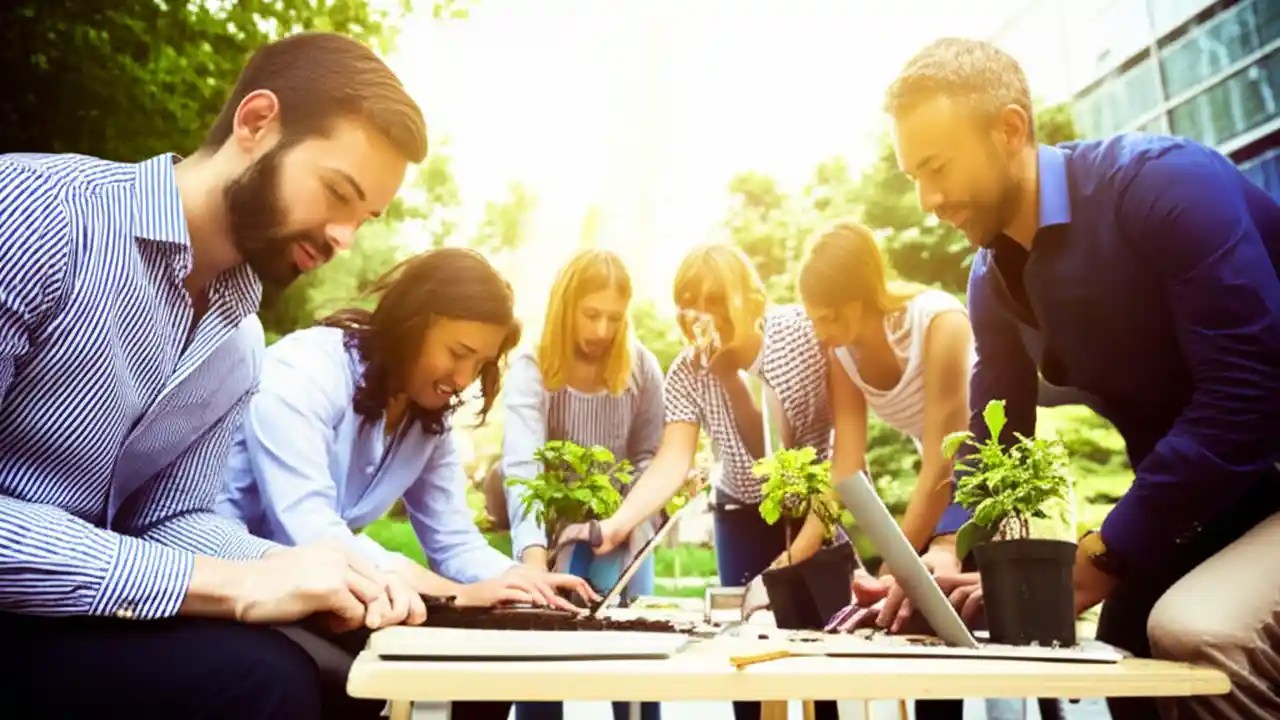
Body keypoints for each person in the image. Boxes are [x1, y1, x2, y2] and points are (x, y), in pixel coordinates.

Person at [0, 32, 429, 719]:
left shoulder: (238, 339)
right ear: (257, 123)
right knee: (259, 681)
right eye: (336, 192)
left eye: (365, 218)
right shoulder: (38, 213)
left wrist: (310, 573)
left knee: (348, 666)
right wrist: (231, 587)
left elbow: (169, 517)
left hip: (68, 619)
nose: (345, 237)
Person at [875, 37, 1280, 720]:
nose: (928, 199)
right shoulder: (990, 278)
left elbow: (1251, 394)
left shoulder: (1166, 185)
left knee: (1197, 631)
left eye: (936, 167)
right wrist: (944, 552)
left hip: (1265, 465)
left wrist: (1105, 551)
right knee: (1119, 652)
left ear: (1010, 130)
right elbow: (994, 437)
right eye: (913, 174)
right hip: (1209, 505)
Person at [217, 248, 599, 719]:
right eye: (458, 353)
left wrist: (523, 584)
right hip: (237, 580)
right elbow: (311, 531)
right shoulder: (304, 371)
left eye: (480, 363)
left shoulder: (427, 421)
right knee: (350, 679)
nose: (463, 379)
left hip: (326, 588)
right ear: (412, 323)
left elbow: (454, 540)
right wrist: (452, 593)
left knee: (493, 655)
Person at [560, 243, 843, 720]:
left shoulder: (801, 334)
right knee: (747, 657)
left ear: (750, 297)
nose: (701, 314)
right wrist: (618, 523)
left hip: (814, 507)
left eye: (715, 298)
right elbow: (673, 459)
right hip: (741, 513)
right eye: (690, 301)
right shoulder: (687, 372)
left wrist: (734, 373)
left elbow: (831, 442)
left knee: (819, 656)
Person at [495, 248, 666, 720]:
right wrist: (533, 561)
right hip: (550, 537)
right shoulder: (532, 367)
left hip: (623, 536)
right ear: (565, 305)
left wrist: (624, 524)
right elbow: (523, 465)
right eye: (591, 315)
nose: (601, 331)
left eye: (614, 317)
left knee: (634, 675)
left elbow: (651, 458)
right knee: (541, 678)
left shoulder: (641, 368)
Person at [797, 219, 972, 623]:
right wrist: (792, 556)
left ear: (858, 299)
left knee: (1005, 641)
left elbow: (941, 463)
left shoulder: (939, 323)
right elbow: (846, 471)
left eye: (828, 318)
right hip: (946, 498)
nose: (820, 333)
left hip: (1005, 483)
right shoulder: (842, 354)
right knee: (927, 630)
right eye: (814, 320)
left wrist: (893, 569)